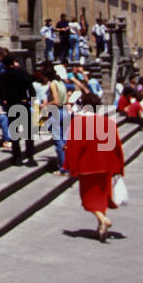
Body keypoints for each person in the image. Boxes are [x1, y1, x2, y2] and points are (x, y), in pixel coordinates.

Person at [65, 91, 124, 241]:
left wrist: (70, 166)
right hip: (105, 166)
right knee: (101, 198)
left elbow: (74, 147)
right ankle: (100, 228)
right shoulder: (108, 122)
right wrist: (118, 166)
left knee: (88, 199)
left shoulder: (79, 122)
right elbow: (116, 146)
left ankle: (104, 220)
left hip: (87, 166)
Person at [0, 54, 37, 167]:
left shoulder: (3, 75)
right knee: (28, 132)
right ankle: (30, 157)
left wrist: (5, 102)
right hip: (23, 103)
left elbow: (2, 93)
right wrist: (28, 100)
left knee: (14, 133)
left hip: (11, 105)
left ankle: (17, 157)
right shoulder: (21, 72)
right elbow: (31, 88)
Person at [42, 65, 70, 173]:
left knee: (58, 140)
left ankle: (63, 168)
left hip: (56, 111)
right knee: (65, 140)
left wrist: (45, 105)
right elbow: (66, 99)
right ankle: (68, 164)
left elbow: (56, 101)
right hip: (65, 111)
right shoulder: (62, 83)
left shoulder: (53, 84)